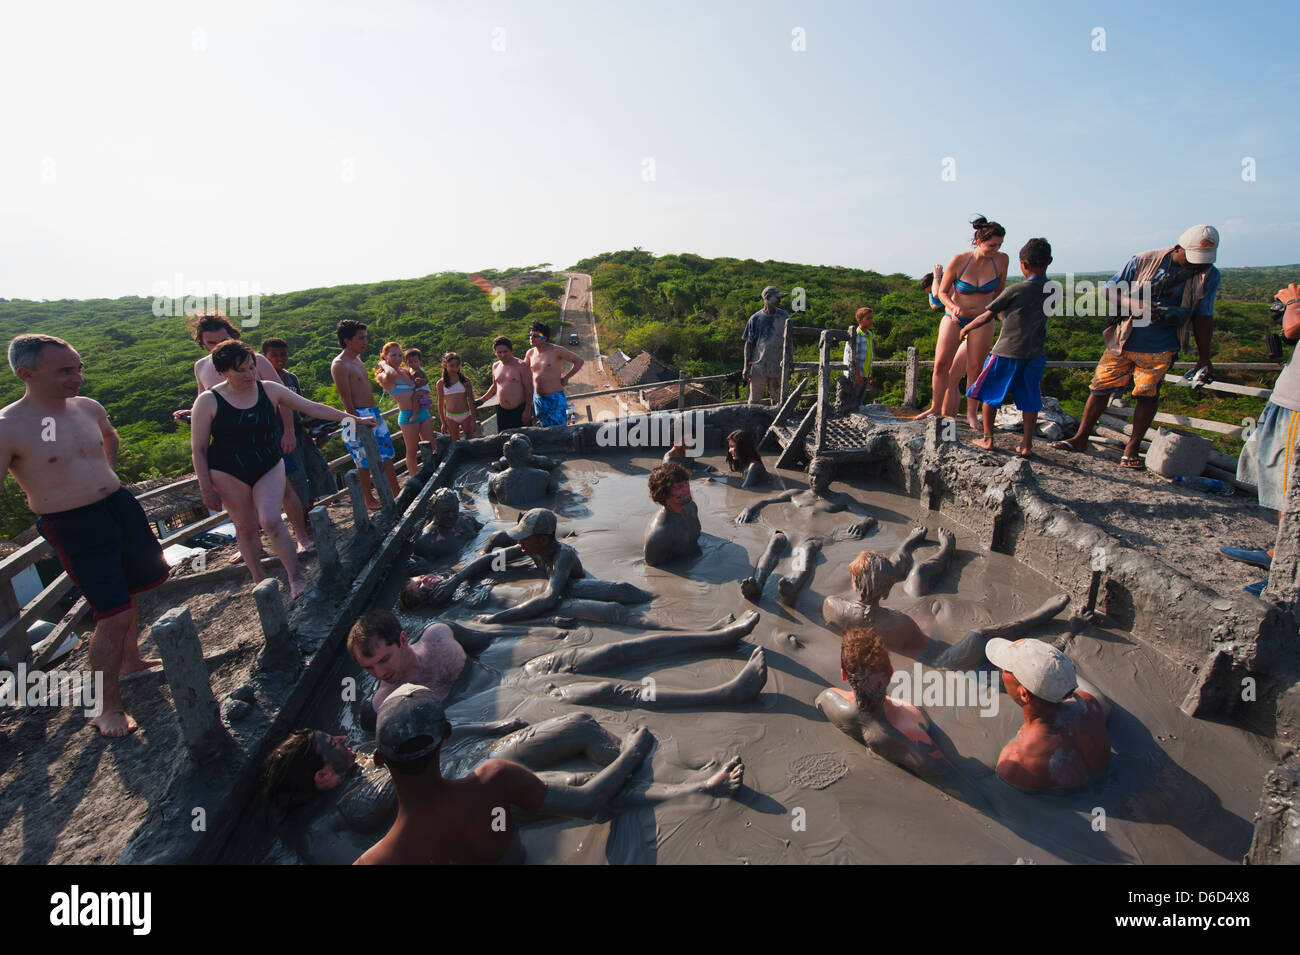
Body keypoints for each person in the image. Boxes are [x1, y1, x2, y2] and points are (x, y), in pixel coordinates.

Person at [1, 335, 168, 737]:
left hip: (117, 506)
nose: (77, 377)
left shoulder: (88, 408)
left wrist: (106, 473)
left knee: (131, 590)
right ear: (27, 373)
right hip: (72, 523)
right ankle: (105, 706)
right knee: (111, 613)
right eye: (65, 370)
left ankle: (131, 660)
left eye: (78, 367)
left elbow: (109, 436)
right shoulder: (9, 427)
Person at [355, 685, 653, 864]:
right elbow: (587, 802)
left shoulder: (374, 860)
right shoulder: (493, 780)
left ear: (380, 759)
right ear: (446, 734)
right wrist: (633, 751)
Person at [191, 340, 373, 599]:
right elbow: (198, 448)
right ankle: (260, 581)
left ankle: (295, 576)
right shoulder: (208, 401)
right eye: (240, 370)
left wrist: (354, 419)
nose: (249, 375)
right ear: (222, 373)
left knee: (271, 521)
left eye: (251, 367)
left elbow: (311, 407)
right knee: (245, 527)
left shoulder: (269, 390)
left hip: (267, 461)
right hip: (228, 469)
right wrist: (205, 488)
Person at [1052, 225, 1221, 469]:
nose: (1196, 265)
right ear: (1178, 248)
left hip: (1162, 345)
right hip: (1124, 338)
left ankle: (1132, 447)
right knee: (1100, 388)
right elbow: (1109, 289)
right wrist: (1133, 302)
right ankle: (1080, 438)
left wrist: (1204, 357)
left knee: (1147, 394)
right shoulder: (1144, 261)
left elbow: (1204, 316)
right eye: (1192, 258)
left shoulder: (1209, 274)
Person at [175, 312, 312, 557]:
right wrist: (191, 411)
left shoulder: (255, 360)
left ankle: (301, 535)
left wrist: (288, 431)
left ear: (233, 336)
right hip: (232, 439)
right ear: (202, 344)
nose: (219, 345)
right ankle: (253, 545)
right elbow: (204, 399)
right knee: (242, 498)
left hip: (267, 430)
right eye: (211, 343)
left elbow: (281, 397)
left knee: (285, 487)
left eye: (223, 339)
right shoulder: (202, 367)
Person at [412, 507, 653, 624]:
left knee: (613, 593)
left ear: (543, 538)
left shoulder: (563, 556)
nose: (519, 541)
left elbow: (549, 598)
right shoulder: (531, 548)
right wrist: (455, 580)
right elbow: (489, 560)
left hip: (572, 583)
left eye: (524, 537)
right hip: (554, 580)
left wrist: (496, 619)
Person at [815, 627, 956, 792]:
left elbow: (822, 701)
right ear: (890, 674)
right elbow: (951, 777)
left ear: (844, 675)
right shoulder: (913, 728)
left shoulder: (827, 700)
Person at [959, 238, 1055, 456]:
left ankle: (988, 439)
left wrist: (966, 329)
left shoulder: (1016, 289)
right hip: (1035, 352)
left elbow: (987, 315)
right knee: (1031, 398)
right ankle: (1026, 445)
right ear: (1049, 261)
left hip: (1007, 351)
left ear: (1023, 264)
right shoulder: (1053, 290)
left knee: (990, 395)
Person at [1235, 283, 1300, 582]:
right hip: (1288, 401)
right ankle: (1280, 555)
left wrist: (1294, 302)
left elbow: (1292, 329)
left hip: (1296, 407)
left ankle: (1287, 573)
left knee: (1292, 490)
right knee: (1283, 486)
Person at [985, 637, 1110, 792]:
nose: (1001, 672)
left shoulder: (1015, 762)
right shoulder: (1089, 706)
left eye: (1005, 670)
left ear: (1024, 694)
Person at [918, 217, 1009, 428]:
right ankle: (935, 408)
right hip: (954, 317)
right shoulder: (960, 260)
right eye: (992, 245)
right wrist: (952, 306)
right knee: (941, 364)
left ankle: (970, 414)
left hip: (982, 319)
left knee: (975, 368)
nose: (996, 249)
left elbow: (1000, 291)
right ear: (979, 242)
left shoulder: (1002, 260)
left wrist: (999, 314)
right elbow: (940, 292)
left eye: (999, 245)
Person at [261, 337, 336, 523]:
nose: (280, 358)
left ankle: (311, 515)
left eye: (283, 354)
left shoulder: (291, 377)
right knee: (296, 479)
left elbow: (303, 407)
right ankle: (301, 521)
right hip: (280, 437)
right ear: (264, 357)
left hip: (300, 433)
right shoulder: (262, 382)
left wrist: (319, 428)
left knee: (314, 472)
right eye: (274, 355)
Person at [331, 320, 400, 508]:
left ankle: (397, 493)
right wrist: (356, 422)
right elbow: (346, 399)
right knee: (361, 461)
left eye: (365, 337)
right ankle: (368, 500)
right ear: (347, 340)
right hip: (352, 417)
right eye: (360, 338)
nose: (365, 342)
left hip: (373, 413)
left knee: (387, 455)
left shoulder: (357, 359)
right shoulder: (339, 364)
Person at [735, 455, 876, 539]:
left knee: (807, 554)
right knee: (777, 541)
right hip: (790, 531)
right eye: (811, 474)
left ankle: (792, 584)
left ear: (830, 477)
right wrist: (748, 509)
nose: (814, 479)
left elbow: (869, 516)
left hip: (815, 536)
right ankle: (758, 582)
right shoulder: (796, 494)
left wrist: (863, 525)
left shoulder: (841, 499)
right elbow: (765, 501)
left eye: (819, 476)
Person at [375, 341, 428, 480]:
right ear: (385, 356)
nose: (398, 358)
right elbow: (391, 375)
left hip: (422, 411)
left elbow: (418, 382)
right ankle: (417, 483)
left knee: (431, 447)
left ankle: (432, 476)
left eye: (399, 355)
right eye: (393, 355)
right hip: (407, 416)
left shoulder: (405, 371)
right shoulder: (383, 375)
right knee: (412, 452)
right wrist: (384, 364)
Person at [524, 321, 582, 428]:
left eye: (535, 336)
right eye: (530, 335)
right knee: (544, 429)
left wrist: (566, 378)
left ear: (544, 338)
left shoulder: (556, 350)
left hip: (555, 398)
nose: (531, 338)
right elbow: (524, 372)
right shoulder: (530, 353)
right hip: (538, 399)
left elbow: (579, 361)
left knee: (560, 429)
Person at [643, 461, 702, 567]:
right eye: (679, 487)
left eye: (686, 484)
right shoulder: (659, 535)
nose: (687, 490)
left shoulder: (691, 508)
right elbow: (652, 569)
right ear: (663, 493)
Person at [742, 286, 792, 406]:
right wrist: (746, 366)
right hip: (759, 365)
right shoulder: (755, 319)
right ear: (767, 298)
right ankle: (752, 423)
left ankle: (776, 423)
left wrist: (790, 361)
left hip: (778, 365)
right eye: (777, 298)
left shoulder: (784, 316)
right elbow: (748, 344)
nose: (779, 301)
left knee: (777, 400)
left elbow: (789, 342)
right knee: (754, 400)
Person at [476, 336, 534, 431]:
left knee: (523, 440)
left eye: (505, 351)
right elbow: (495, 387)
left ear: (511, 350)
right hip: (502, 411)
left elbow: (529, 389)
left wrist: (527, 411)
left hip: (520, 410)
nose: (502, 355)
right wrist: (481, 400)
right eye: (499, 352)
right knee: (504, 440)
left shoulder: (521, 365)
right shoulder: (495, 366)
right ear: (495, 353)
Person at [487, 433, 557, 507]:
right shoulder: (544, 476)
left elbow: (492, 502)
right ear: (527, 455)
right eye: (528, 449)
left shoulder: (494, 480)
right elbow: (555, 496)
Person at [413, 487, 482, 561]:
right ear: (433, 510)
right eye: (445, 512)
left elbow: (485, 531)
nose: (451, 516)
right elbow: (429, 567)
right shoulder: (425, 541)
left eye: (454, 510)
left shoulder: (466, 519)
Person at [436, 351, 480, 441]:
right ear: (444, 365)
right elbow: (440, 404)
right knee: (455, 443)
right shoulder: (441, 383)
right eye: (452, 366)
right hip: (450, 417)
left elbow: (471, 401)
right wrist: (443, 422)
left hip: (465, 415)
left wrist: (473, 420)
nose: (455, 368)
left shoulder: (465, 381)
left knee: (469, 441)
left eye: (457, 365)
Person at [842, 306, 875, 409]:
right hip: (856, 375)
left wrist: (869, 374)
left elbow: (869, 355)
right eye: (868, 318)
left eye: (871, 318)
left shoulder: (869, 334)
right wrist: (857, 376)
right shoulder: (855, 335)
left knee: (860, 401)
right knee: (852, 402)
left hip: (865, 374)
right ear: (860, 320)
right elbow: (851, 358)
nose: (871, 320)